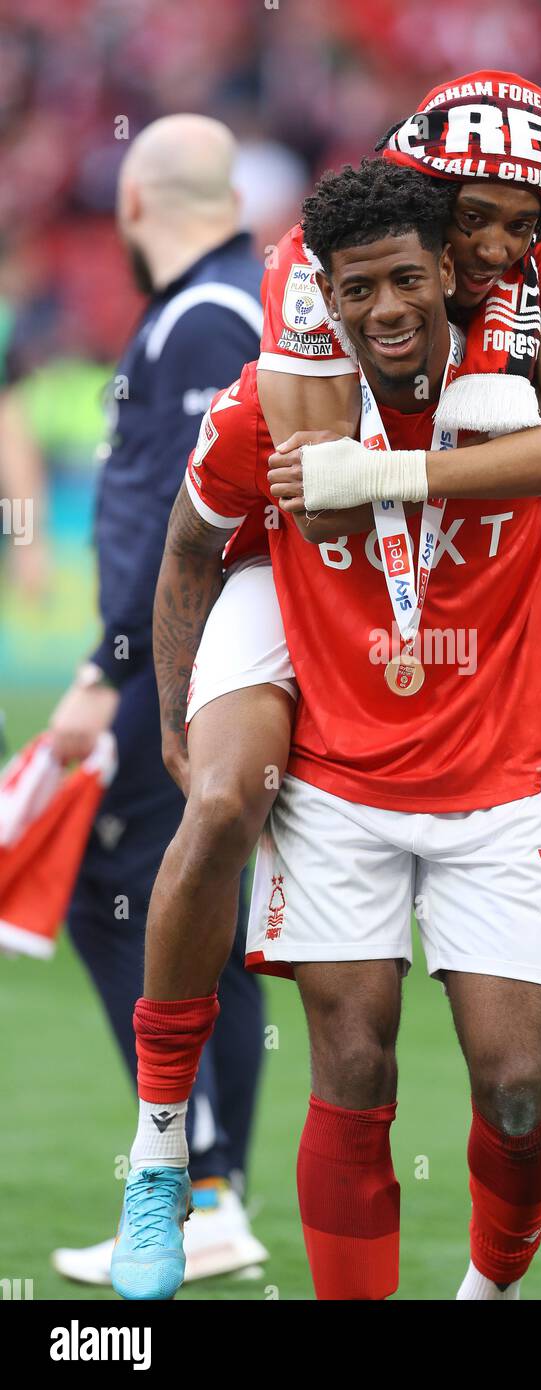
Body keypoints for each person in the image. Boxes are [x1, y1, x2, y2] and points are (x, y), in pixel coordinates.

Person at [115, 157, 541, 1302]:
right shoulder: (266, 410)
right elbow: (184, 549)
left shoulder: (515, 396)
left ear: (448, 278)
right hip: (337, 755)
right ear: (319, 291)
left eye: (409, 282)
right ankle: (160, 1147)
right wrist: (177, 726)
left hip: (484, 765)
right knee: (351, 1049)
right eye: (357, 288)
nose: (386, 310)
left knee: (520, 1091)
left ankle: (505, 1278)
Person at [47, 115, 268, 1287]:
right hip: (182, 661)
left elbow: (188, 530)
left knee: (125, 895)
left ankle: (197, 1178)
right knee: (187, 918)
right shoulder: (223, 306)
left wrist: (105, 669)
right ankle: (209, 1186)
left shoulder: (205, 317)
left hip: (169, 665)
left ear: (135, 201)